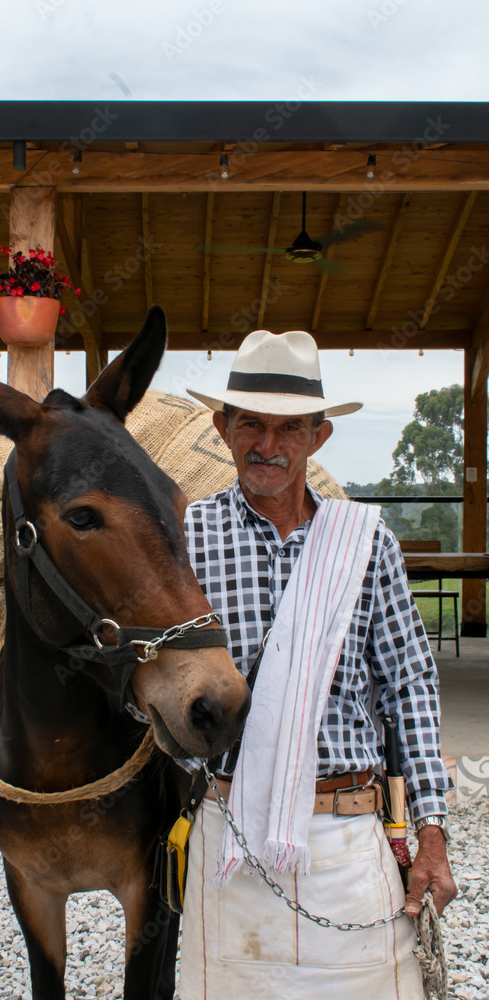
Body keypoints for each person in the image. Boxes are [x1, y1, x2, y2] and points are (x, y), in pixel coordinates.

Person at [178, 329, 457, 1000]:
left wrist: (430, 833)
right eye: (249, 423)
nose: (266, 446)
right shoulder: (186, 538)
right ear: (222, 427)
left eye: (288, 429)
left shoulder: (363, 542)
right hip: (230, 843)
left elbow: (408, 687)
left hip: (348, 836)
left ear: (318, 438)